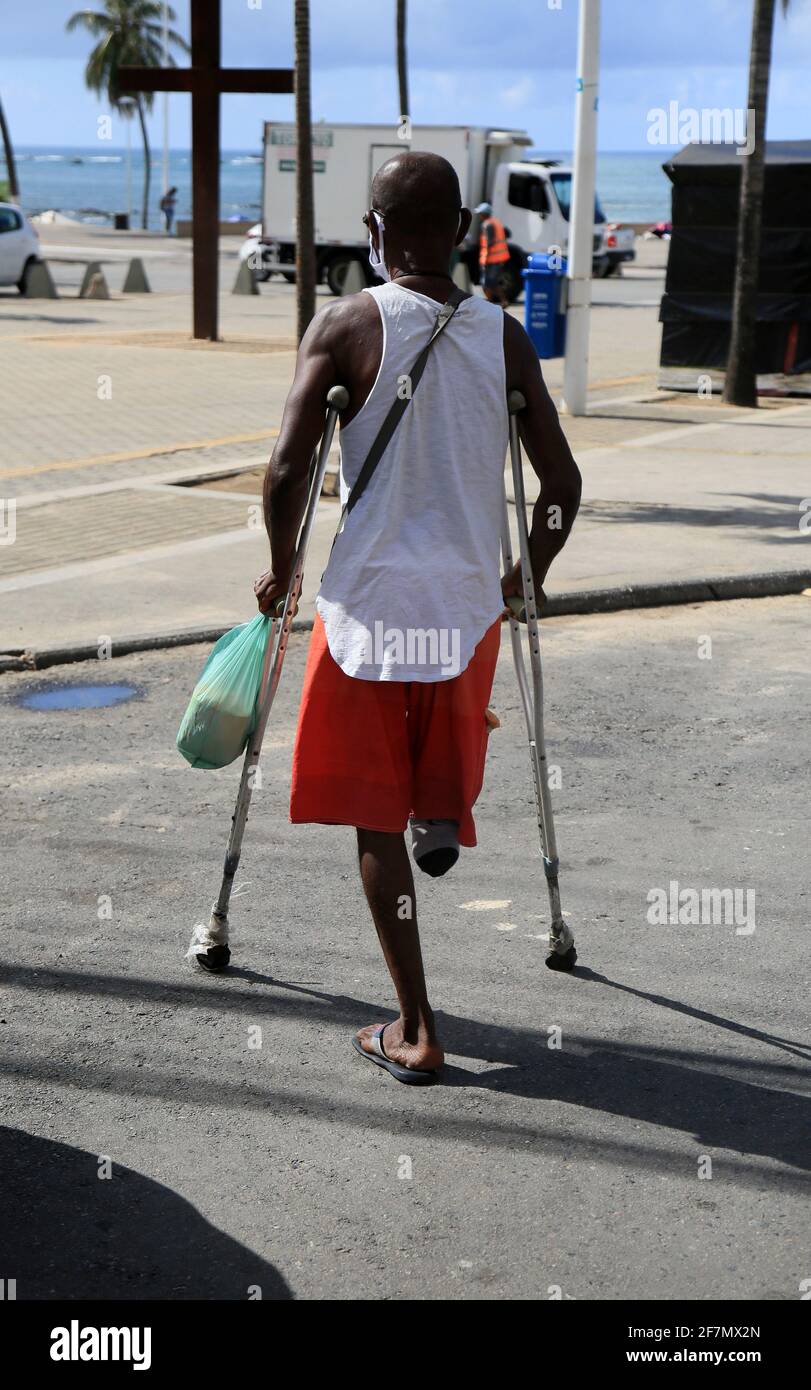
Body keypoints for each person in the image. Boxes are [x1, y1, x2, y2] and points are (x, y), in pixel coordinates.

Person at [254, 152, 580, 1085]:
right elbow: (559, 485)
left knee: (370, 821)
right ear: (467, 225)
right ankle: (438, 809)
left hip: (369, 610)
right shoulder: (503, 336)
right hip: (466, 610)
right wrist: (529, 574)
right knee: (429, 763)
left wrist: (280, 568)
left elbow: (285, 471)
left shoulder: (345, 323)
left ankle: (416, 1028)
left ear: (373, 229)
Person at [475, 199, 511, 307]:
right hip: (498, 258)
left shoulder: (487, 225)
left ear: (484, 214)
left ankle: (496, 302)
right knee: (491, 282)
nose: (479, 216)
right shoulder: (496, 222)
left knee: (488, 282)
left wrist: (484, 260)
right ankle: (494, 302)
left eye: (480, 213)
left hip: (492, 259)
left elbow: (489, 243)